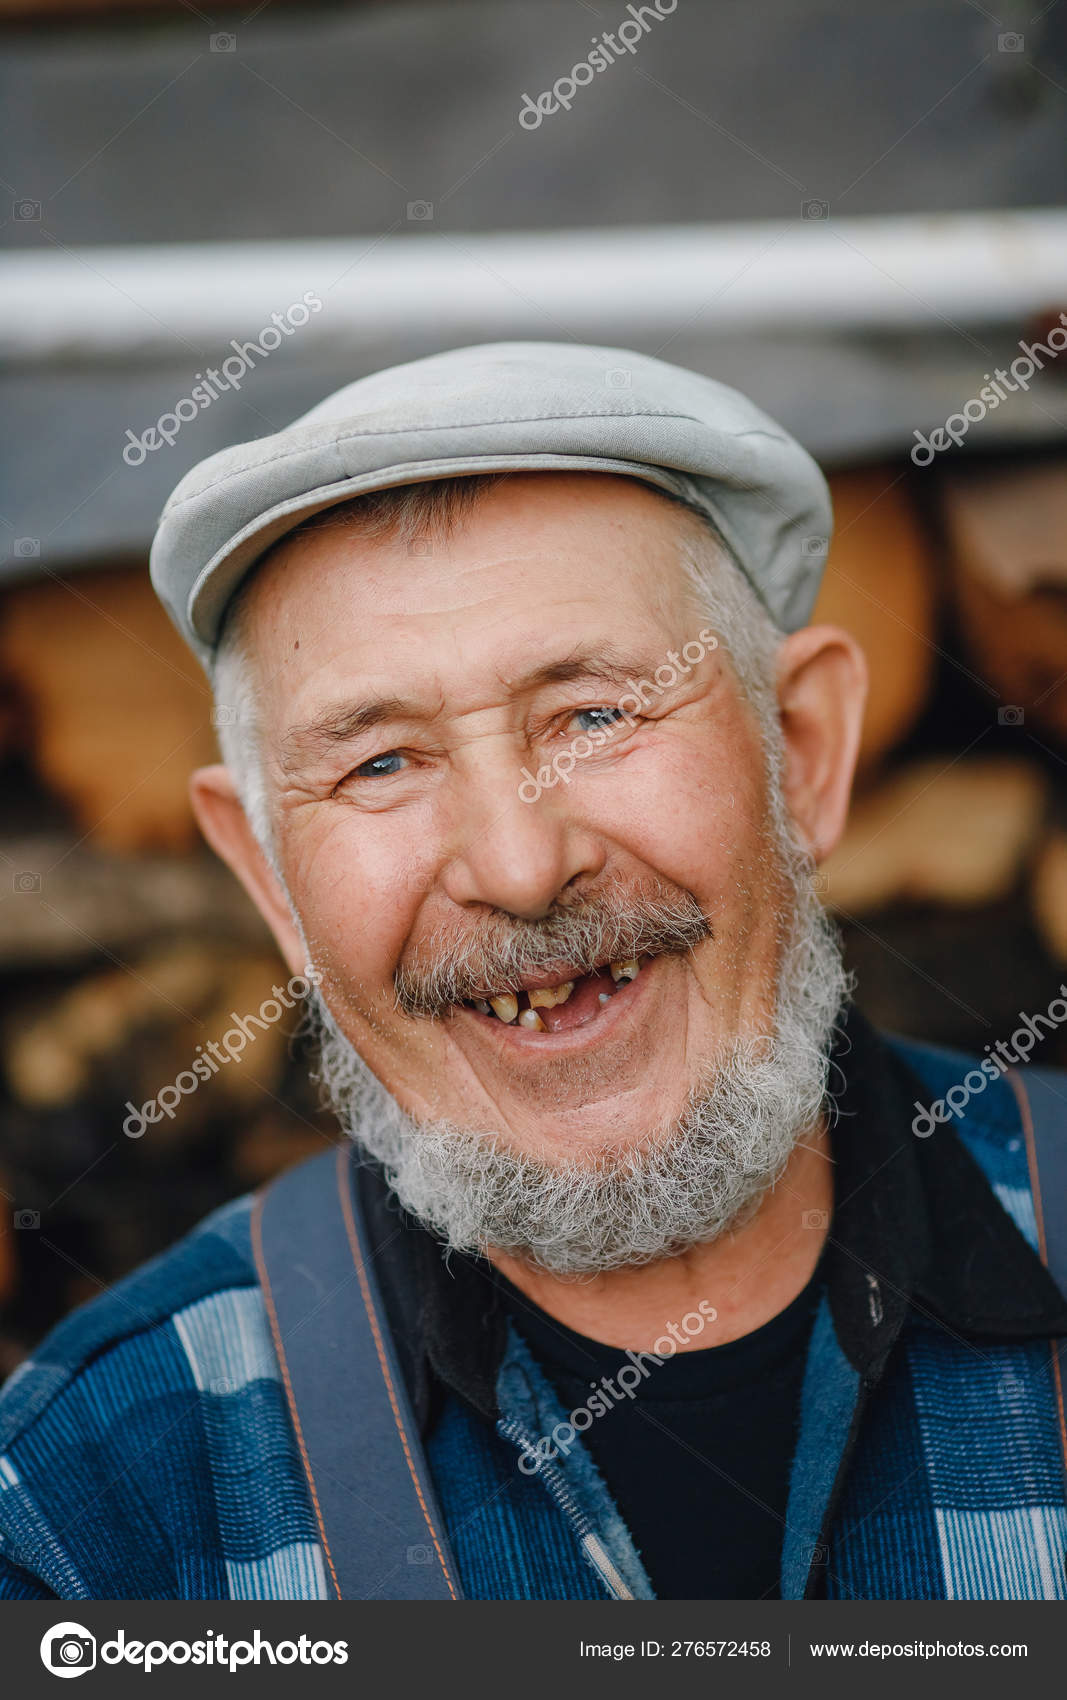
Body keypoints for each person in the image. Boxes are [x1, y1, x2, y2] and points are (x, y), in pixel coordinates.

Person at [0, 343, 1064, 1602]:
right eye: (380, 763)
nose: (515, 864)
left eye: (596, 714)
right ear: (270, 877)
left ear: (802, 751)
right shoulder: (93, 1499)